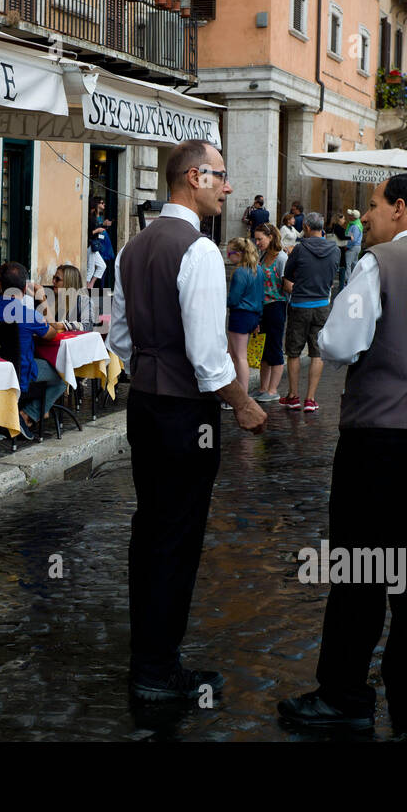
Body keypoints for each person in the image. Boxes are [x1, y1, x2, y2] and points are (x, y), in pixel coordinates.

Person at [277, 173, 407, 737]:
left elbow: (339, 344)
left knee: (361, 569)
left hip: (378, 438)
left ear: (398, 209)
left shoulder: (379, 263)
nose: (364, 217)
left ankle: (345, 694)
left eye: (370, 206)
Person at [107, 138, 268, 703]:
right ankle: (157, 671)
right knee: (176, 538)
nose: (229, 187)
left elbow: (121, 340)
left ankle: (148, 658)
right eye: (220, 176)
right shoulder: (197, 251)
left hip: (146, 406)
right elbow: (207, 356)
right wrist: (243, 404)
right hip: (184, 415)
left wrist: (152, 370)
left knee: (150, 531)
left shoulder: (134, 247)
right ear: (194, 178)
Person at [0, 262, 66, 439]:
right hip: (19, 374)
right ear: (24, 287)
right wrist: (42, 300)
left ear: (0, 285)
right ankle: (25, 415)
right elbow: (52, 333)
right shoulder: (28, 315)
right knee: (63, 377)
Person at [281, 212, 338, 412]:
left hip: (300, 305)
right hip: (322, 305)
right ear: (321, 227)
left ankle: (293, 396)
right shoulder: (334, 250)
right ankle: (310, 399)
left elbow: (287, 276)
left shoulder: (299, 249)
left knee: (294, 352)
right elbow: (332, 276)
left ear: (305, 227)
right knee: (317, 353)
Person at [224, 237, 263, 404]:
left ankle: (241, 397)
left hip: (240, 315)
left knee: (239, 357)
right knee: (235, 356)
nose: (227, 256)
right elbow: (262, 296)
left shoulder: (240, 272)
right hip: (253, 315)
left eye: (229, 253)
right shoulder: (257, 269)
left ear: (238, 254)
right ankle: (235, 393)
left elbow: (233, 299)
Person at [253, 222, 288, 403]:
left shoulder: (281, 258)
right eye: (256, 239)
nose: (257, 242)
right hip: (262, 306)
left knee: (274, 348)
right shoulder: (263, 255)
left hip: (276, 306)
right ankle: (262, 388)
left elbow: (287, 284)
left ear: (271, 237)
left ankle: (273, 390)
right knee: (263, 350)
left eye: (260, 239)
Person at [54, 263, 97, 329]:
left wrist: (63, 326)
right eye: (53, 278)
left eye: (57, 279)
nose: (53, 281)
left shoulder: (84, 301)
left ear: (68, 282)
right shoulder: (56, 299)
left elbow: (87, 327)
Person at [89, 197, 117, 291]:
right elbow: (90, 232)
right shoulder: (92, 217)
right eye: (102, 203)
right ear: (96, 204)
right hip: (94, 245)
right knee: (91, 268)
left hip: (98, 245)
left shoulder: (98, 216)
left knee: (101, 266)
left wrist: (103, 225)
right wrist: (99, 229)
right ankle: (89, 287)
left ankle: (91, 285)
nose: (104, 204)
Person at [344, 209, 364, 281]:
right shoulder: (356, 224)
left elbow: (353, 239)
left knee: (348, 264)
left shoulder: (354, 226)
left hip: (352, 247)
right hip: (356, 247)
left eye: (351, 215)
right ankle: (353, 281)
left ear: (354, 217)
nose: (349, 216)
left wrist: (347, 246)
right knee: (354, 265)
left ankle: (347, 281)